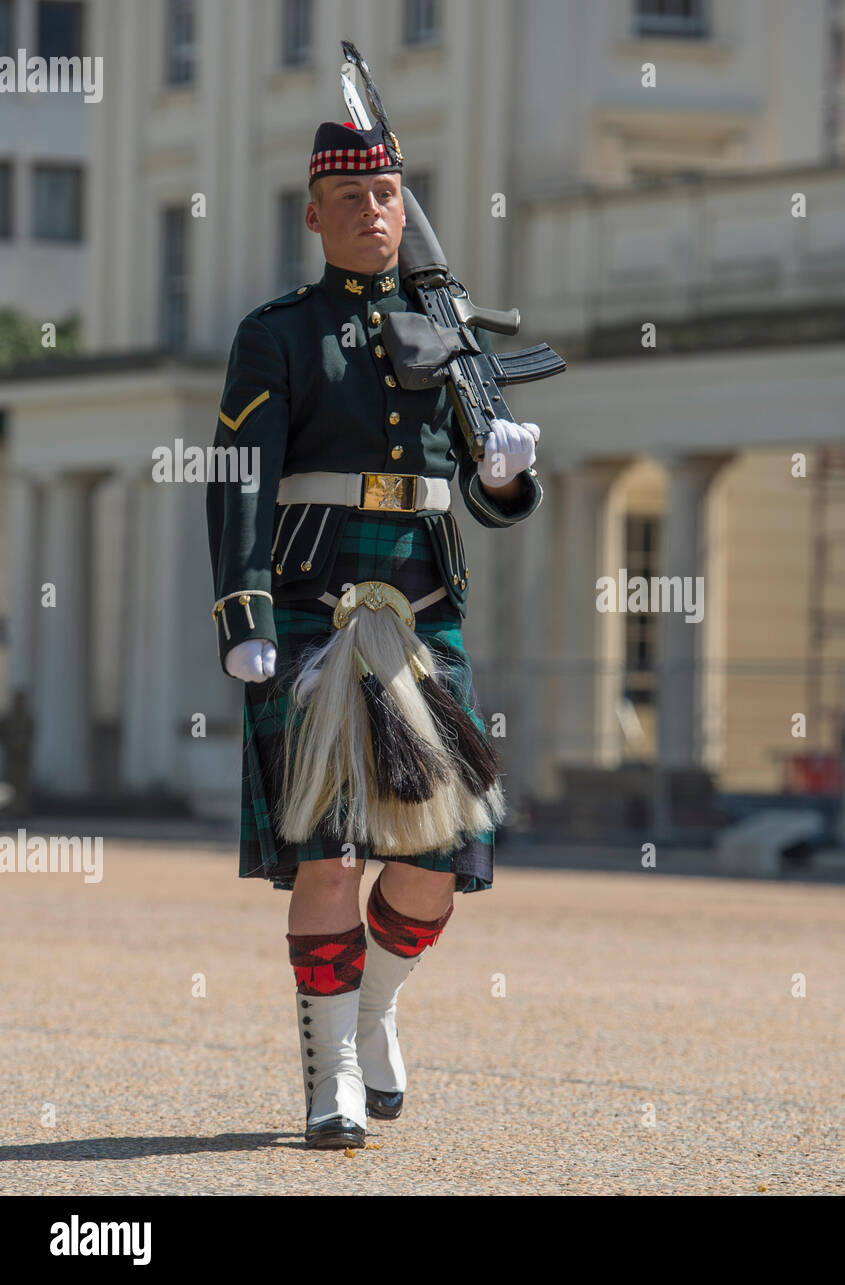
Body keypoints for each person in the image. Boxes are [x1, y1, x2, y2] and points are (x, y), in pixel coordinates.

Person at [206, 118, 542, 1149]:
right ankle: (333, 1074)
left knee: (438, 856)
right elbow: (240, 479)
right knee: (331, 853)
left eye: (387, 195)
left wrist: (504, 473)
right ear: (314, 216)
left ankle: (378, 1002)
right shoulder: (278, 332)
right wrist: (245, 611)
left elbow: (485, 489)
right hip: (312, 607)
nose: (372, 212)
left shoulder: (453, 328)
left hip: (422, 609)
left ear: (407, 208)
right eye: (349, 199)